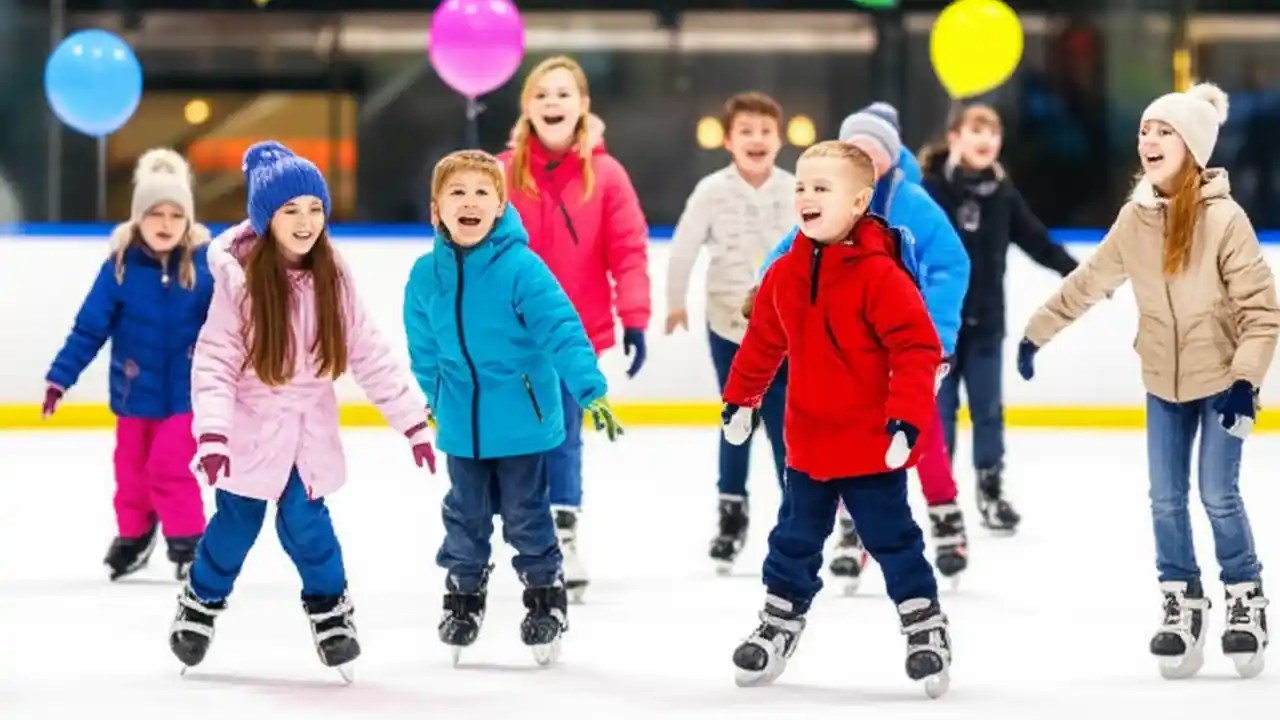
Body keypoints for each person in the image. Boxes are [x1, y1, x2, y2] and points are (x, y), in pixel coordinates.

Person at [1018, 83, 1276, 680]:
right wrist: (1038, 330)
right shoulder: (1136, 220)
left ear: (1193, 146)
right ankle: (1181, 600)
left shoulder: (1224, 219)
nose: (1150, 140)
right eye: (1144, 131)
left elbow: (1263, 313)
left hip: (1222, 381)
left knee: (1217, 492)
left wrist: (1245, 381)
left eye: (1164, 131)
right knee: (1165, 498)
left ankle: (1245, 596)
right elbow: (1090, 281)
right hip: (1162, 379)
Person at [167, 142, 436, 681]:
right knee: (236, 526)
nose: (305, 220)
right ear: (266, 220)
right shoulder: (241, 284)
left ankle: (330, 609)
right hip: (249, 431)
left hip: (308, 434)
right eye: (290, 210)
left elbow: (368, 352)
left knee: (307, 524)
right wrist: (214, 435)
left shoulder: (335, 277)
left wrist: (411, 421)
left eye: (314, 208)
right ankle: (200, 599)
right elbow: (215, 363)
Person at [723, 141, 951, 697]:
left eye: (822, 188)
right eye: (801, 186)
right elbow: (762, 343)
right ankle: (778, 621)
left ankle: (925, 626)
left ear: (858, 202)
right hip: (807, 443)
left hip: (871, 446)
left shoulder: (880, 276)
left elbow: (917, 349)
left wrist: (906, 421)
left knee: (892, 538)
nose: (806, 196)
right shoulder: (784, 275)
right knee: (794, 538)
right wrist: (741, 399)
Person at [404, 149, 623, 666]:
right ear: (436, 209)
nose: (470, 202)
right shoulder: (424, 275)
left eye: (483, 193)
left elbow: (562, 329)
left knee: (526, 517)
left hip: (524, 423)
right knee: (465, 516)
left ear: (501, 206)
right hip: (462, 424)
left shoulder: (523, 269)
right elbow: (423, 346)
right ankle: (463, 596)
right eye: (457, 193)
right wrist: (435, 396)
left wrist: (589, 388)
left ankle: (546, 597)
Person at [757, 102, 973, 590]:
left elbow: (951, 265)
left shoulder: (914, 203)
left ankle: (943, 511)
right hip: (847, 348)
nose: (865, 161)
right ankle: (852, 530)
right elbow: (787, 255)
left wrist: (934, 332)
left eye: (874, 153)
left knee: (922, 428)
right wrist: (763, 293)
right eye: (856, 151)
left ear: (890, 159)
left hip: (905, 342)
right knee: (849, 437)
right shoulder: (831, 203)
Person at [499, 55, 651, 602]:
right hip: (508, 335)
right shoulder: (501, 171)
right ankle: (514, 534)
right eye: (541, 95)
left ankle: (563, 538)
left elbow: (628, 249)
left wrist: (633, 317)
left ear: (583, 105)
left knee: (563, 438)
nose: (552, 103)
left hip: (573, 331)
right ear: (527, 108)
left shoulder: (607, 176)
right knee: (510, 442)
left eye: (563, 94)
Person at [44, 149, 212, 582]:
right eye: (156, 213)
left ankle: (188, 542)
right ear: (139, 218)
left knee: (171, 467)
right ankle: (135, 536)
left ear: (188, 222)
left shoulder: (205, 270)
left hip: (186, 396)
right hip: (133, 393)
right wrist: (60, 379)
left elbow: (234, 329)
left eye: (177, 215)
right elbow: (89, 330)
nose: (166, 224)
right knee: (131, 473)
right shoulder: (119, 269)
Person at [919, 103, 1078, 533]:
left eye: (993, 131)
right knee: (940, 412)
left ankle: (990, 492)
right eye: (977, 129)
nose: (986, 138)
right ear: (954, 138)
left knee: (988, 410)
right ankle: (942, 498)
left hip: (987, 324)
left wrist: (1077, 273)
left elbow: (1036, 240)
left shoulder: (1003, 195)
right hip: (938, 329)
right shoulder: (931, 190)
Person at [664, 91, 794, 573]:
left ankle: (795, 515)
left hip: (786, 332)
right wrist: (675, 301)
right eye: (746, 132)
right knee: (738, 419)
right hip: (729, 325)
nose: (756, 140)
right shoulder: (711, 191)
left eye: (764, 132)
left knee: (785, 425)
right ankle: (731, 516)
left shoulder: (796, 188)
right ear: (728, 140)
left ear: (779, 139)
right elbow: (683, 247)